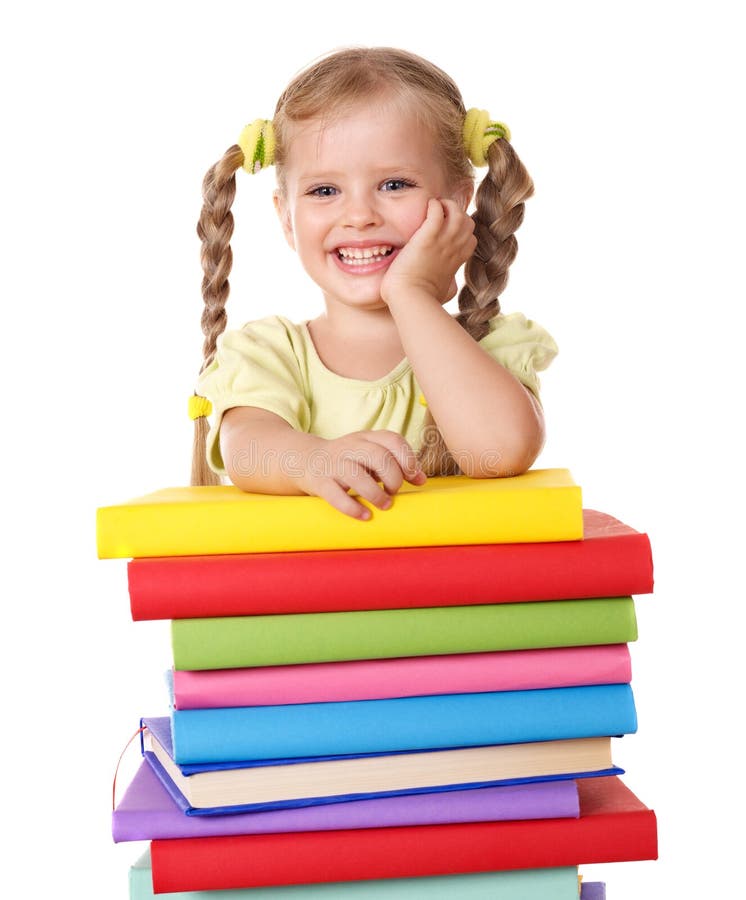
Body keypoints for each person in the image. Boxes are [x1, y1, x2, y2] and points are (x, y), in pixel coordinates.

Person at [190, 47, 557, 520]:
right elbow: (248, 449)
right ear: (286, 218)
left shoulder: (490, 347)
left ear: (456, 201)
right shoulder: (271, 354)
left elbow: (502, 450)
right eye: (325, 191)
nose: (360, 216)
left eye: (394, 184)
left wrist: (410, 294)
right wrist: (312, 461)